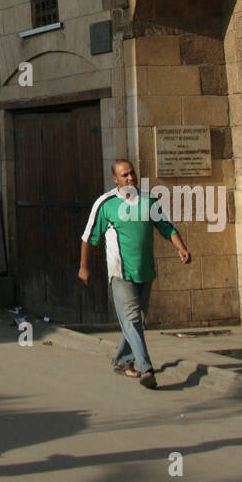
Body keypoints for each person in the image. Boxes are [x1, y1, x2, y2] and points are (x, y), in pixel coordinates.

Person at [79, 159, 191, 389]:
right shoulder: (106, 204)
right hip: (121, 273)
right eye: (124, 175)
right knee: (131, 320)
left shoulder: (148, 200)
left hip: (145, 271)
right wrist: (84, 266)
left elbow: (166, 227)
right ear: (115, 179)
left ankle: (122, 360)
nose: (130, 178)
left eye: (132, 173)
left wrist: (181, 248)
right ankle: (146, 368)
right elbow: (88, 238)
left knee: (138, 320)